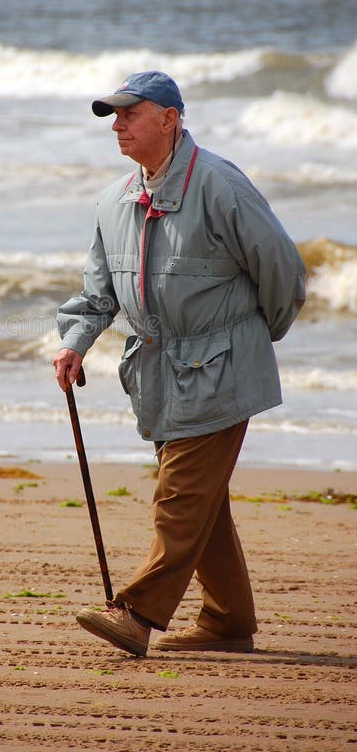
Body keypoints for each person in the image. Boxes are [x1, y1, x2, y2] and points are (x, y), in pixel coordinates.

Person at [52, 71, 306, 657]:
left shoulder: (221, 186)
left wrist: (252, 339)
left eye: (130, 114)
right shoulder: (114, 201)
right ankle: (227, 622)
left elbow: (284, 271)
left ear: (170, 119)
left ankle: (136, 613)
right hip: (157, 378)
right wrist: (75, 343)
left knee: (180, 499)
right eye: (113, 117)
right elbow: (97, 293)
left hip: (223, 369)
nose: (117, 126)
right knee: (202, 504)